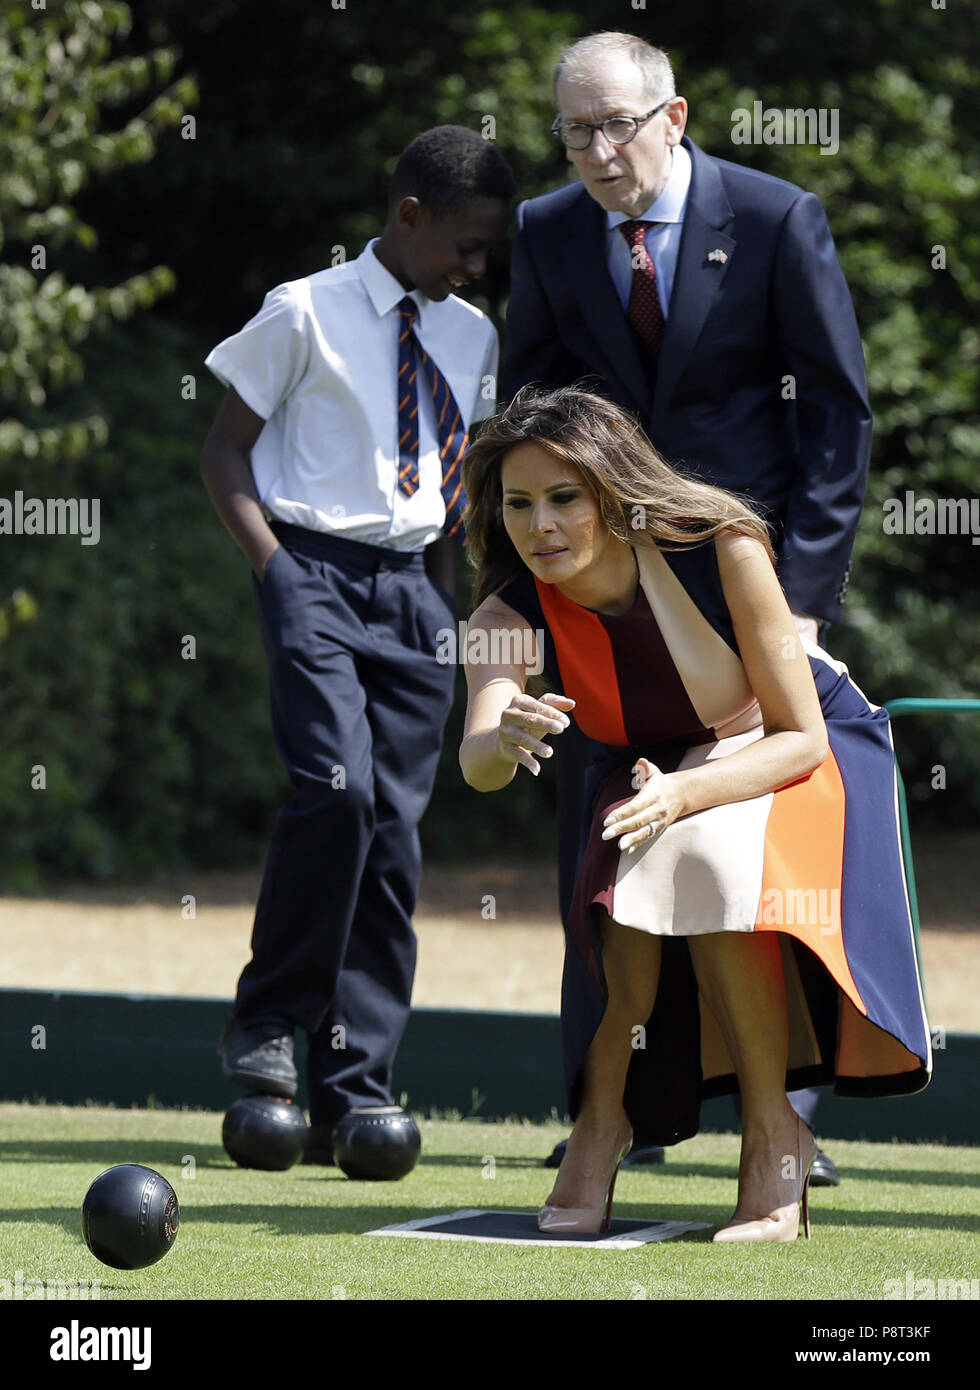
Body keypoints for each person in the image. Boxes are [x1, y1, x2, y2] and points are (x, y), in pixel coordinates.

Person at [502, 31, 872, 1176]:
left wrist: (801, 600)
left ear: (672, 116)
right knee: (602, 866)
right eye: (574, 130)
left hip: (748, 596)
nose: (598, 153)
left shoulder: (773, 218)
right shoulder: (544, 231)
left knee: (747, 866)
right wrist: (516, 628)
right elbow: (522, 414)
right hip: (602, 599)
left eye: (617, 124)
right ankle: (611, 1118)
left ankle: (782, 1124)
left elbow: (835, 420)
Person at [458, 385, 930, 1240]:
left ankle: (773, 1132)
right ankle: (601, 1124)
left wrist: (682, 795)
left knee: (700, 852)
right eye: (518, 504)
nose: (541, 526)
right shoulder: (502, 614)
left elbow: (799, 736)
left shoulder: (724, 546)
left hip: (800, 746)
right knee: (630, 903)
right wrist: (505, 738)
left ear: (613, 492)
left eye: (565, 498)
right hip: (653, 764)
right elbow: (478, 760)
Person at [200, 126, 515, 1161]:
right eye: (463, 247)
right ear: (408, 216)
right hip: (311, 572)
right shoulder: (305, 310)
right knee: (334, 792)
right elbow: (224, 451)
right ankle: (267, 1026)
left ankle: (356, 1079)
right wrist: (277, 574)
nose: (474, 269)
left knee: (391, 833)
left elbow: (460, 487)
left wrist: (468, 612)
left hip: (412, 592)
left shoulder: (471, 335)